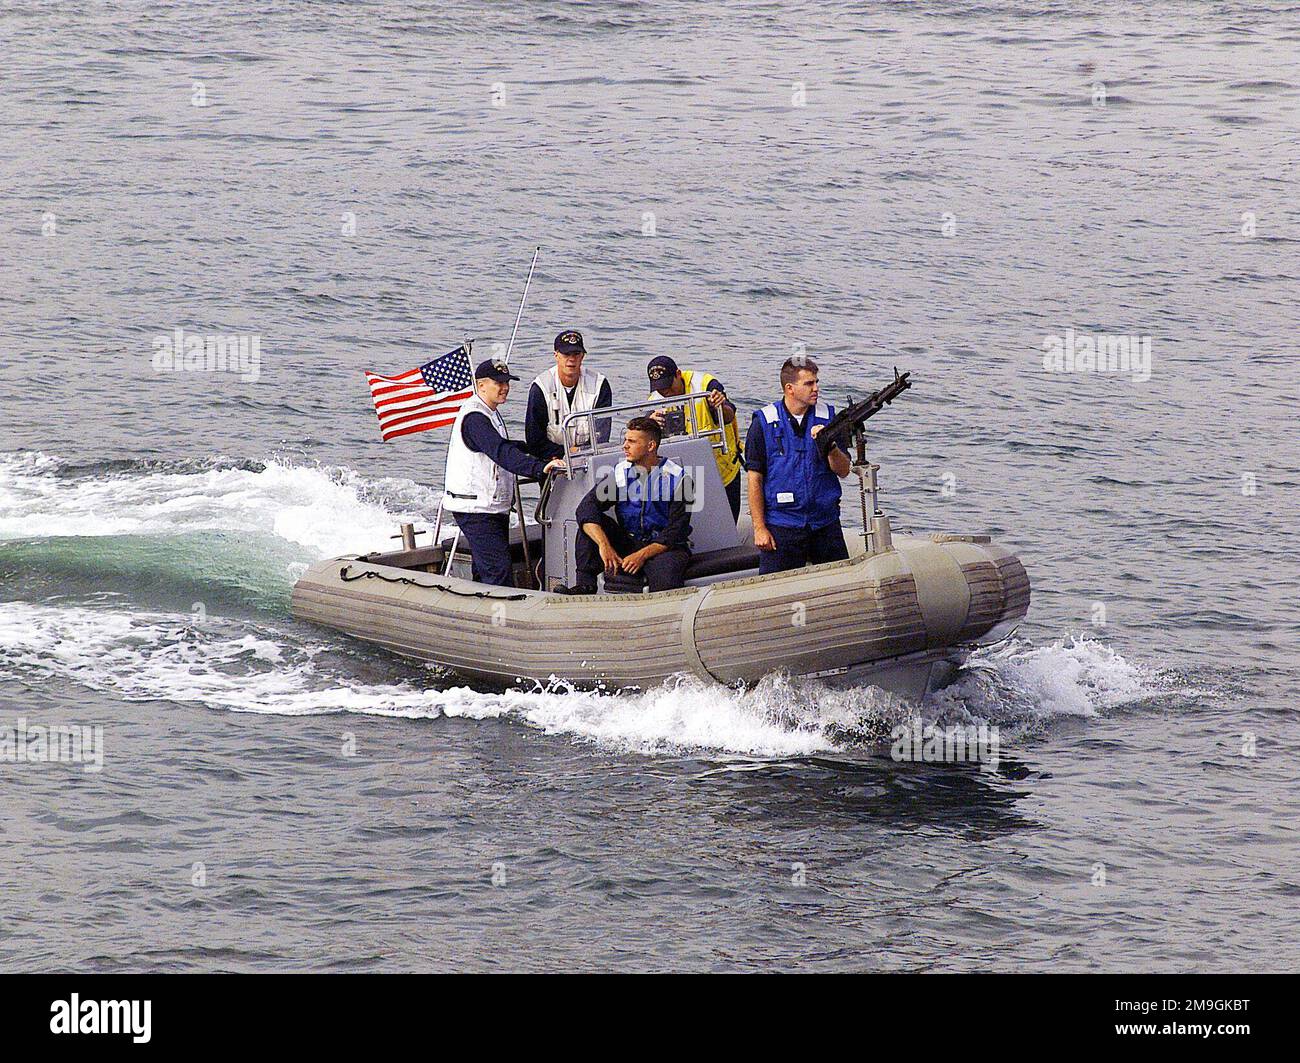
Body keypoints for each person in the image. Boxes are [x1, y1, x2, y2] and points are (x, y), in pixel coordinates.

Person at [444, 359, 564, 586]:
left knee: (484, 572)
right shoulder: (475, 417)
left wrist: (544, 453)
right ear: (480, 385)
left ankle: (479, 612)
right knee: (498, 574)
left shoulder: (490, 412)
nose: (504, 387)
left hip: (492, 507)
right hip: (476, 509)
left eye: (506, 382)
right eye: (498, 382)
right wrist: (538, 468)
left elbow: (506, 446)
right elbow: (500, 451)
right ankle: (502, 618)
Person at [558, 417, 693, 594]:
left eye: (632, 441)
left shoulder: (679, 479)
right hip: (630, 541)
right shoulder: (622, 473)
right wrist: (604, 545)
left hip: (664, 547)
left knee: (666, 576)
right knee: (590, 524)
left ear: (651, 446)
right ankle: (585, 587)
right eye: (625, 440)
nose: (625, 446)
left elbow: (676, 532)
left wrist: (641, 556)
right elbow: (586, 508)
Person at [744, 357, 852, 575]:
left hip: (825, 522)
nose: (816, 388)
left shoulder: (829, 418)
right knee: (775, 590)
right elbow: (755, 478)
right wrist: (759, 528)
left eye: (817, 382)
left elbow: (844, 470)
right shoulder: (763, 422)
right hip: (782, 524)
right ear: (789, 388)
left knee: (838, 582)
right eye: (809, 384)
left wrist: (829, 446)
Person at [645, 355, 745, 522]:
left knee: (728, 523)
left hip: (723, 469)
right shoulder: (655, 399)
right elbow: (645, 437)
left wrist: (719, 406)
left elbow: (728, 415)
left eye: (668, 387)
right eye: (660, 389)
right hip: (687, 473)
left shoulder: (705, 384)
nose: (666, 393)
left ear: (678, 374)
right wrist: (651, 423)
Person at [525, 329, 613, 460]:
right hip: (552, 460)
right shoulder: (540, 387)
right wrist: (564, 453)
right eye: (566, 354)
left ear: (583, 356)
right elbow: (534, 440)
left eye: (576, 354)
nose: (571, 359)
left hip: (589, 458)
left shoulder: (599, 385)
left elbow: (602, 436)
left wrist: (580, 453)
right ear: (556, 355)